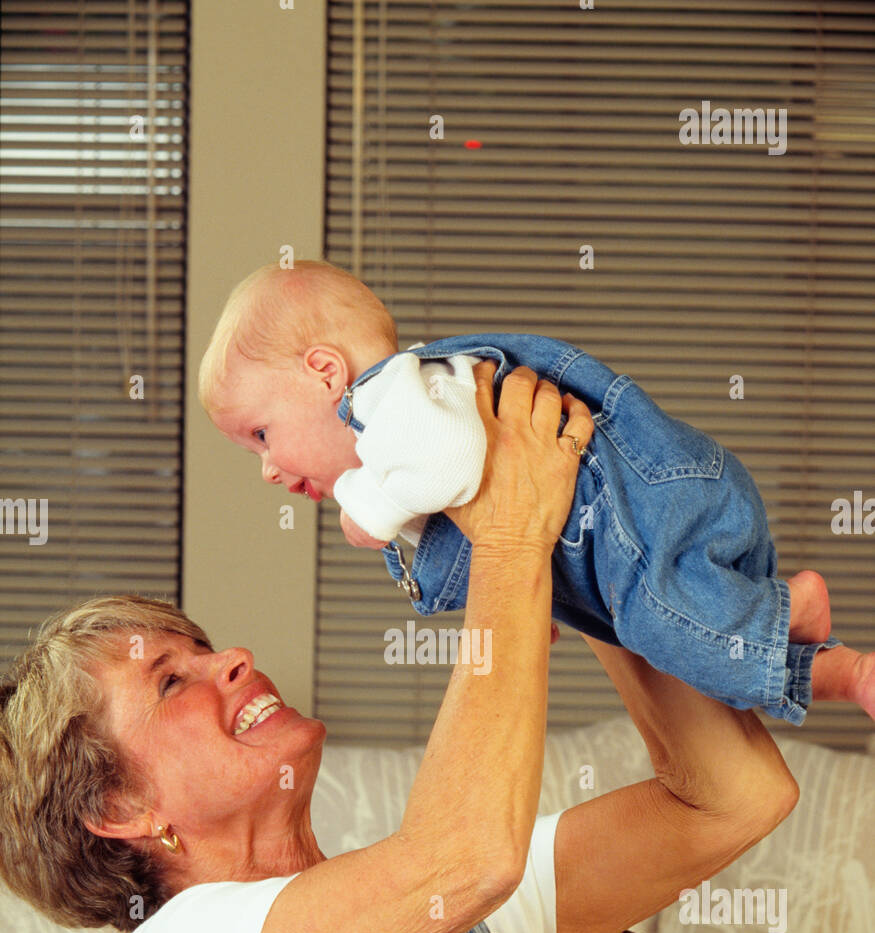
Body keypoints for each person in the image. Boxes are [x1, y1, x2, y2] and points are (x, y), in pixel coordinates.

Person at [0, 366, 799, 933]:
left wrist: (589, 551)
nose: (233, 660)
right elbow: (460, 859)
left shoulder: (476, 919)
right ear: (120, 813)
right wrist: (508, 545)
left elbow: (733, 796)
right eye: (171, 682)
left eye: (205, 645)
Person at [198, 259, 874, 727]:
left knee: (670, 632)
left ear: (323, 373)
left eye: (260, 433)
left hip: (647, 505)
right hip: (619, 542)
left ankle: (794, 618)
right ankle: (828, 662)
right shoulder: (396, 428)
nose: (266, 468)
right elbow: (504, 528)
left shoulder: (392, 397)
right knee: (697, 665)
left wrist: (370, 510)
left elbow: (452, 462)